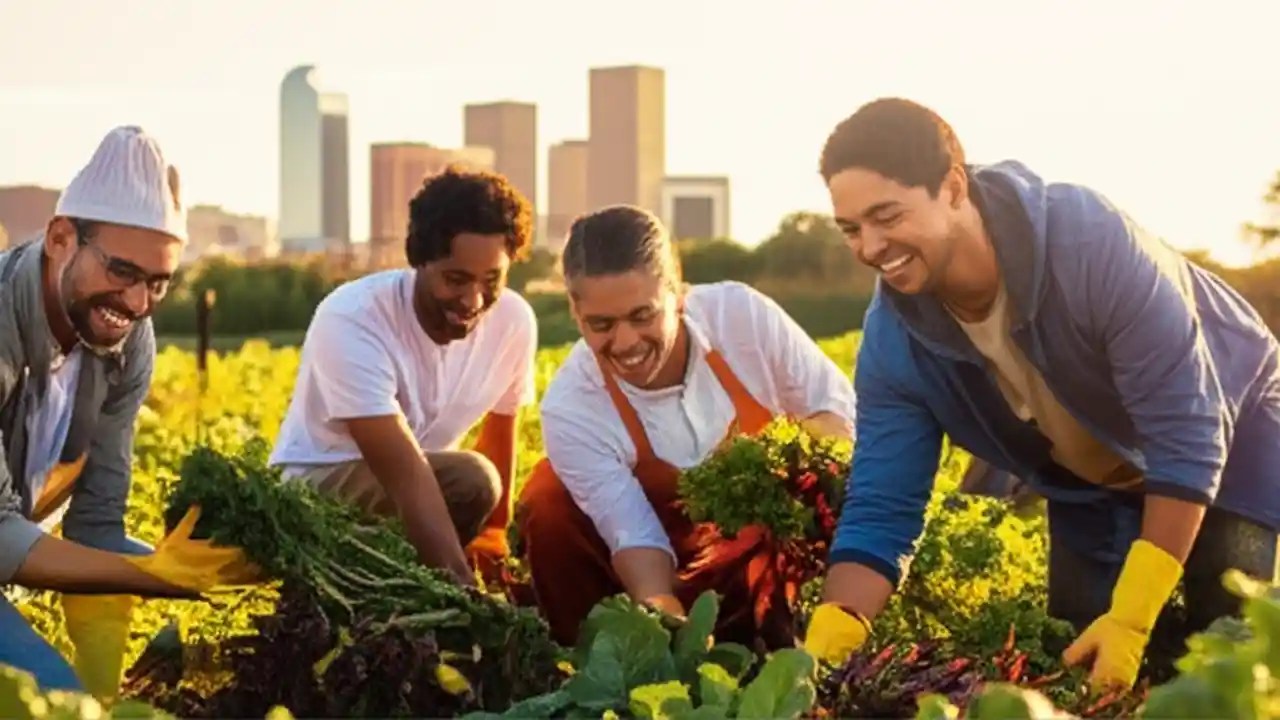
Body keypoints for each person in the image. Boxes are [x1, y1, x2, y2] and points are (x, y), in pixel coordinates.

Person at [802, 97, 1280, 690]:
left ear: (953, 188)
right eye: (851, 228)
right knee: (1077, 658)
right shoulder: (894, 341)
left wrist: (1131, 618)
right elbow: (882, 507)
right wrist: (825, 648)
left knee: (1225, 633)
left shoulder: (1088, 243)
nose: (870, 247)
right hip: (1090, 480)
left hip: (1232, 430)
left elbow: (1187, 432)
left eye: (887, 216)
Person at [517, 205, 856, 647]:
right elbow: (634, 536)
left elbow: (838, 416)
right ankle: (581, 655)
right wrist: (669, 628)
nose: (625, 343)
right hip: (665, 565)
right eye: (601, 324)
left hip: (773, 553)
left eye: (643, 316)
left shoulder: (742, 317)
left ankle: (811, 631)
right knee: (548, 497)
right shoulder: (572, 406)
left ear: (678, 293)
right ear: (575, 312)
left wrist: (768, 471)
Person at [0, 126, 259, 696]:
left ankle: (106, 694)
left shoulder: (125, 341)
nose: (139, 303)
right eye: (122, 272)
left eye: (158, 283)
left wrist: (222, 576)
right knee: (51, 703)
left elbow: (96, 525)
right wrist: (153, 575)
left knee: (89, 702)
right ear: (60, 238)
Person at [269, 164, 538, 587]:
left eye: (492, 280)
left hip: (419, 481)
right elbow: (403, 472)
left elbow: (501, 429)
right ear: (419, 259)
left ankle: (395, 589)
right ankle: (344, 583)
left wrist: (491, 539)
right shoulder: (354, 318)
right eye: (456, 279)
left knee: (476, 482)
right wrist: (463, 591)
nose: (473, 299)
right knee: (471, 479)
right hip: (319, 486)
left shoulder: (513, 321)